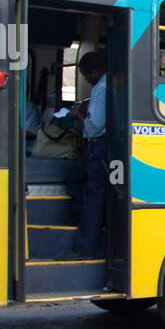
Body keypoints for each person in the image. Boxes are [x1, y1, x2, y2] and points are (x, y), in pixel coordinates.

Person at [57, 53, 109, 260]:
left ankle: (85, 246)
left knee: (93, 196)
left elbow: (95, 125)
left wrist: (79, 116)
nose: (87, 80)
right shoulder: (105, 86)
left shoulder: (101, 88)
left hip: (98, 146)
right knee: (76, 177)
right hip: (96, 148)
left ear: (95, 72)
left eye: (87, 76)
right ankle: (86, 224)